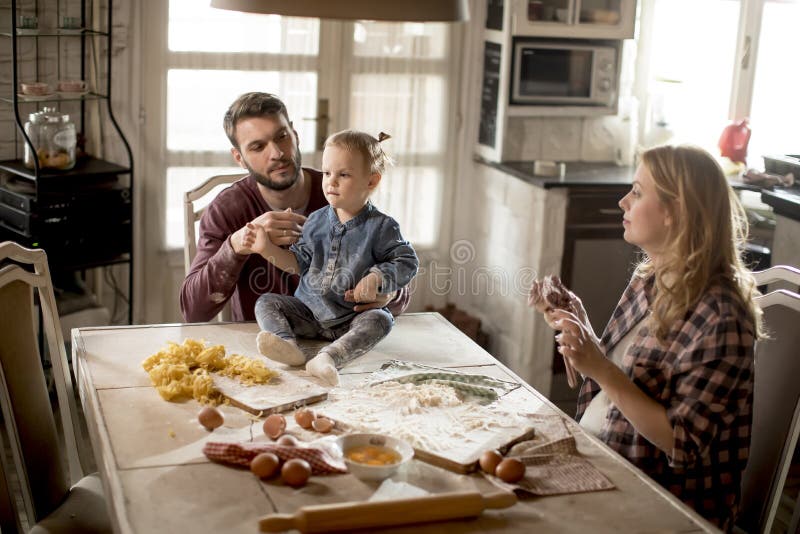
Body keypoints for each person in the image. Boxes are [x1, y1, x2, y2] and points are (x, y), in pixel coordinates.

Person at [530, 145, 762, 530]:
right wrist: (576, 326)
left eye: (637, 192)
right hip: (603, 461)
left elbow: (681, 444)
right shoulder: (649, 279)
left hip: (662, 506)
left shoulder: (722, 317)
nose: (623, 201)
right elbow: (623, 381)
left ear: (675, 211)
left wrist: (601, 367)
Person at [179, 92, 410, 323]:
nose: (277, 153)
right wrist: (239, 243)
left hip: (338, 342)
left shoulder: (340, 190)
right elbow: (193, 311)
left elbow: (397, 285)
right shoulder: (227, 209)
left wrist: (386, 292)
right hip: (261, 345)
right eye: (258, 147)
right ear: (239, 157)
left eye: (282, 136)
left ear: (295, 134)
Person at [241, 130, 418, 385]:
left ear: (371, 181)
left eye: (343, 175)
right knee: (266, 302)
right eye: (326, 173)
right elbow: (298, 264)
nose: (331, 182)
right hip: (308, 314)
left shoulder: (382, 227)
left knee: (381, 319)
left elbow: (407, 261)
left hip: (351, 319)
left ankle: (329, 358)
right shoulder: (315, 221)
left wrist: (377, 277)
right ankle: (287, 346)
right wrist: (265, 249)